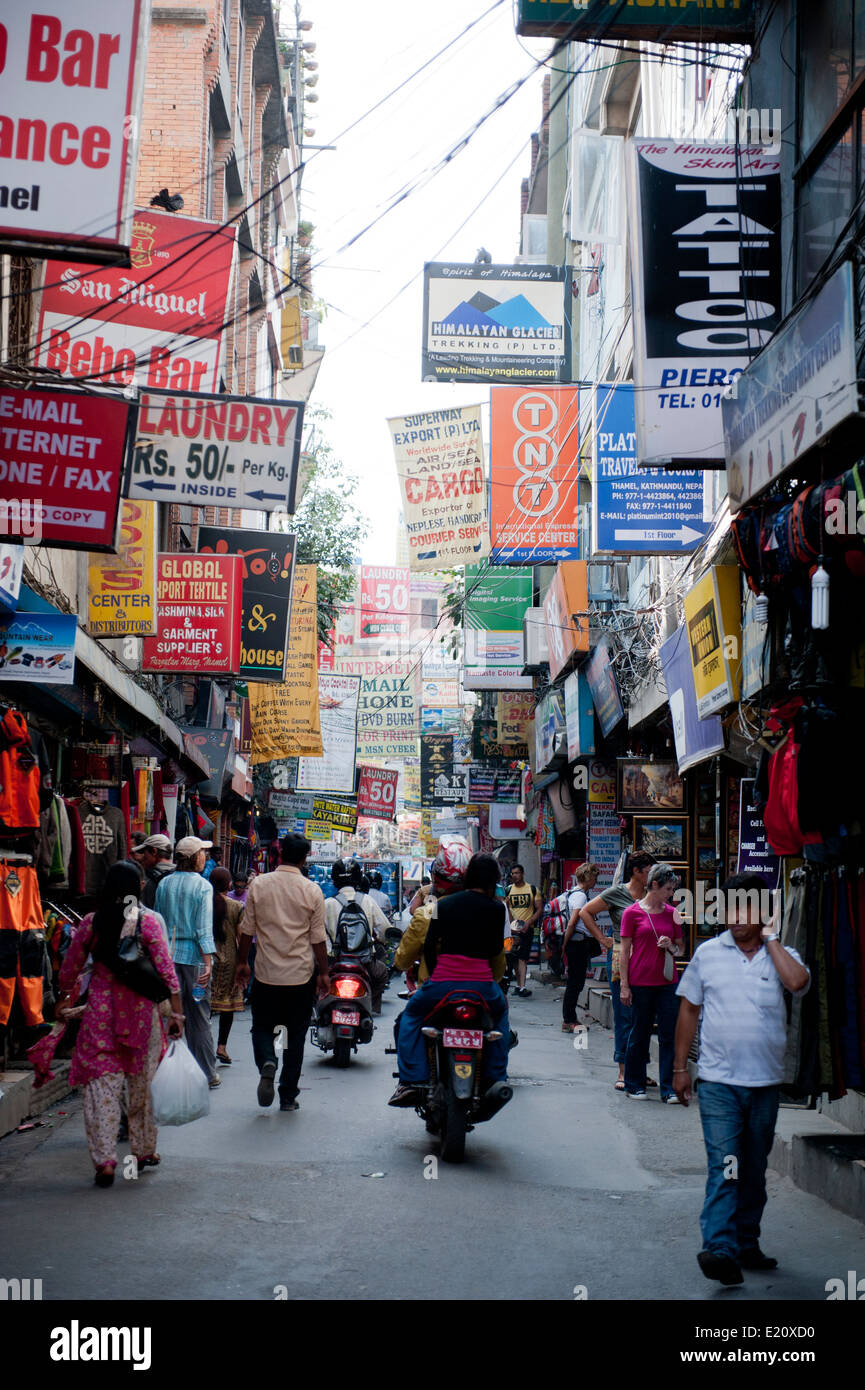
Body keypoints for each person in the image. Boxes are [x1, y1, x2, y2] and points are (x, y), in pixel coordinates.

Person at [673, 872, 810, 1286]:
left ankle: (746, 1242)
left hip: (765, 1084)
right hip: (718, 1083)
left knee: (753, 1168)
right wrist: (680, 1068)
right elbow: (689, 1011)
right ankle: (719, 1247)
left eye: (744, 908)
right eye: (728, 908)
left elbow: (798, 983)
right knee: (726, 1164)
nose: (734, 917)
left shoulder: (783, 955)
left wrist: (770, 939)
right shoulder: (708, 954)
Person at [54, 861, 183, 1186]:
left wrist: (63, 998)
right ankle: (142, 1150)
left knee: (101, 1089)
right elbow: (167, 973)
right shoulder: (147, 924)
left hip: (100, 1016)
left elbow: (70, 970)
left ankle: (106, 1160)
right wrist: (177, 1014)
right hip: (141, 1017)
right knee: (142, 1087)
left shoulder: (90, 924)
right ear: (137, 887)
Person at [389, 852, 508, 1107]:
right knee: (500, 1019)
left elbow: (430, 946)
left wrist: (436, 974)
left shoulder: (442, 906)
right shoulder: (498, 909)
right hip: (483, 985)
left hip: (442, 983)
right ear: (493, 881)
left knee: (411, 1016)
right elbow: (496, 949)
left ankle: (412, 1080)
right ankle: (497, 1078)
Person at [235, 832, 329, 1113]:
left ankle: (268, 1060)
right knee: (295, 1035)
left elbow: (246, 931)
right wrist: (323, 972)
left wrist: (243, 964)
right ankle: (288, 1095)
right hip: (300, 976)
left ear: (280, 853)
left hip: (266, 974)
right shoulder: (312, 890)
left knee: (263, 1026)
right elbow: (318, 938)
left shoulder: (260, 885)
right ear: (304, 858)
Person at [579, 852, 657, 1090]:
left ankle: (640, 1070)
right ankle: (623, 1070)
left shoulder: (651, 895)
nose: (651, 876)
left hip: (646, 958)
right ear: (636, 872)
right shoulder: (618, 892)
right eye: (648, 872)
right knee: (624, 1016)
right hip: (621, 957)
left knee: (642, 1017)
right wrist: (604, 940)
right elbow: (585, 912)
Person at [154, 835, 219, 1090]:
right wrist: (208, 964)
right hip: (194, 961)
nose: (206, 857)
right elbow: (203, 930)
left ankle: (162, 1071)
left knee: (166, 1015)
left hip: (166, 960)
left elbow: (157, 925)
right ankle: (207, 1073)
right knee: (199, 1017)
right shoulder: (203, 886)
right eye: (203, 853)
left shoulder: (164, 884)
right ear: (195, 857)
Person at [620, 863, 684, 1102]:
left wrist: (671, 946)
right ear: (654, 885)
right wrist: (624, 985)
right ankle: (634, 1083)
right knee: (640, 1032)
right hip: (640, 981)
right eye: (668, 889)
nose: (671, 894)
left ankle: (668, 1087)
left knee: (669, 1034)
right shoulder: (632, 913)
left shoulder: (672, 913)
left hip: (667, 981)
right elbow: (624, 952)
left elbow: (681, 947)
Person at [324, 859, 390, 1013]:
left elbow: (318, 936)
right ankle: (371, 1009)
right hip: (364, 962)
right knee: (381, 974)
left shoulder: (327, 904)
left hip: (334, 962)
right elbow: (386, 930)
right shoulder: (368, 901)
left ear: (334, 880)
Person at [209, 867, 245, 1065]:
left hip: (207, 957)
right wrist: (244, 961)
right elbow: (241, 936)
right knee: (227, 1006)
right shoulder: (236, 906)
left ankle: (203, 1044)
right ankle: (221, 1046)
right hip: (229, 959)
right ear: (229, 884)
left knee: (205, 1005)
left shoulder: (204, 903)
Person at [560, 863, 600, 1032]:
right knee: (575, 983)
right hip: (576, 943)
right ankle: (569, 1020)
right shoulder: (580, 896)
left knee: (575, 982)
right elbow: (572, 922)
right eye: (595, 877)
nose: (596, 881)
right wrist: (564, 944)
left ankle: (570, 1018)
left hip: (575, 943)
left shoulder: (575, 893)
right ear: (589, 878)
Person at [505, 864, 542, 997]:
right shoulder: (508, 890)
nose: (514, 876)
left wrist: (529, 923)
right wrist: (511, 925)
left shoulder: (532, 889)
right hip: (512, 931)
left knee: (522, 958)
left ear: (523, 874)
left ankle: (522, 987)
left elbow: (539, 908)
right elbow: (506, 908)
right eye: (512, 873)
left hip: (528, 929)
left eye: (517, 873)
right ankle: (519, 985)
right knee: (513, 957)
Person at [131, 833, 174, 909]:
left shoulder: (148, 879)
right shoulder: (180, 876)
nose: (142, 857)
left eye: (144, 852)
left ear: (154, 851)